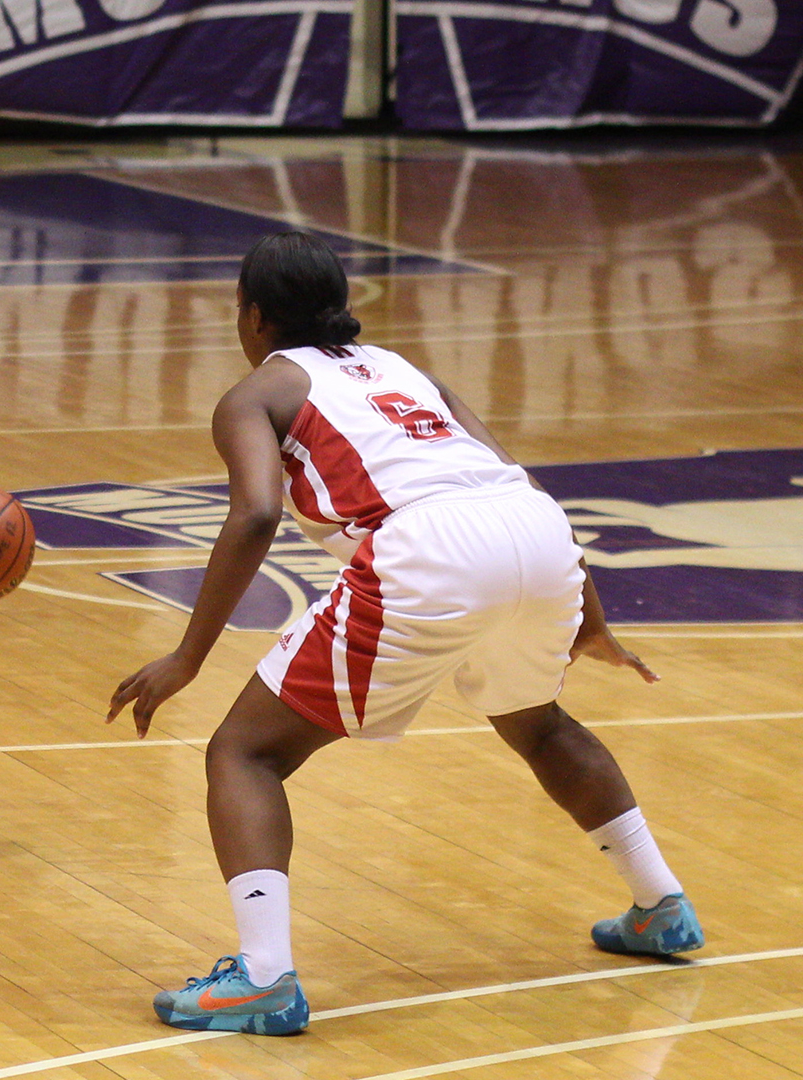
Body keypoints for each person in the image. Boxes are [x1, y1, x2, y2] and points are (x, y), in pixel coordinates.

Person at [108, 232, 702, 1035]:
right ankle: (659, 903)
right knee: (538, 723)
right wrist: (588, 615)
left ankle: (262, 979)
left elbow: (254, 514)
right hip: (535, 531)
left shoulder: (257, 393)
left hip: (428, 549)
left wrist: (188, 657)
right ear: (341, 306)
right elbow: (515, 483)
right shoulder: (410, 372)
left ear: (250, 317)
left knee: (245, 752)